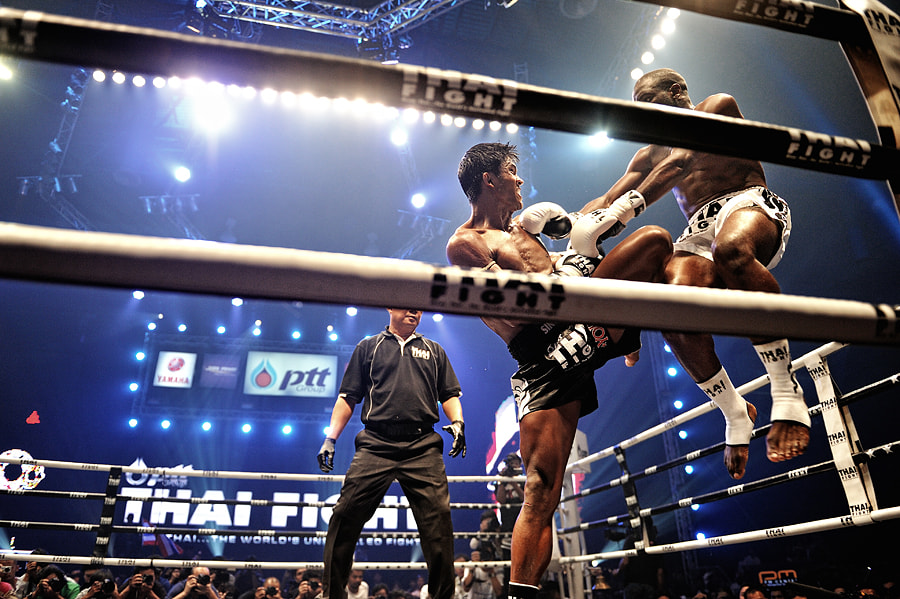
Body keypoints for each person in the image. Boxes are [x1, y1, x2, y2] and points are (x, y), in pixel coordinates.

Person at [446, 142, 673, 599]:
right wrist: (571, 268)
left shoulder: (526, 230)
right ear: (488, 180)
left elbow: (571, 265)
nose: (520, 181)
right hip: (542, 354)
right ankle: (521, 595)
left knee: (654, 242)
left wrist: (577, 256)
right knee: (540, 487)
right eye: (512, 172)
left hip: (582, 319)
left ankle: (711, 390)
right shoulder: (465, 243)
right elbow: (515, 308)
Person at [572, 68, 809, 479]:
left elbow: (682, 162)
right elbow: (605, 199)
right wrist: (571, 225)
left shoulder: (717, 106)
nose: (646, 116)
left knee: (732, 249)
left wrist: (627, 208)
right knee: (673, 303)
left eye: (652, 105)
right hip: (699, 228)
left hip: (747, 205)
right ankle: (735, 411)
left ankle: (786, 388)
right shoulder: (646, 155)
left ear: (678, 92)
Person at [317, 308, 466, 599]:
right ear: (390, 307)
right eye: (407, 305)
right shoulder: (368, 347)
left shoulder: (434, 350)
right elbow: (348, 397)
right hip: (376, 443)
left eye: (418, 308)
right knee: (344, 516)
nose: (414, 311)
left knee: (439, 525)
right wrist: (330, 438)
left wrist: (458, 422)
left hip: (423, 446)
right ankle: (333, 595)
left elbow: (449, 394)